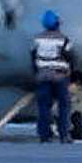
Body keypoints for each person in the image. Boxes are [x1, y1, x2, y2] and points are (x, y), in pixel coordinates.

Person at [32, 10, 75, 144]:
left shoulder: (37, 39)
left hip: (42, 76)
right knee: (64, 105)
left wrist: (37, 73)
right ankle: (64, 134)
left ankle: (44, 135)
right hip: (59, 76)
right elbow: (71, 57)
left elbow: (32, 57)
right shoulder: (63, 39)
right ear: (57, 23)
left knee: (44, 107)